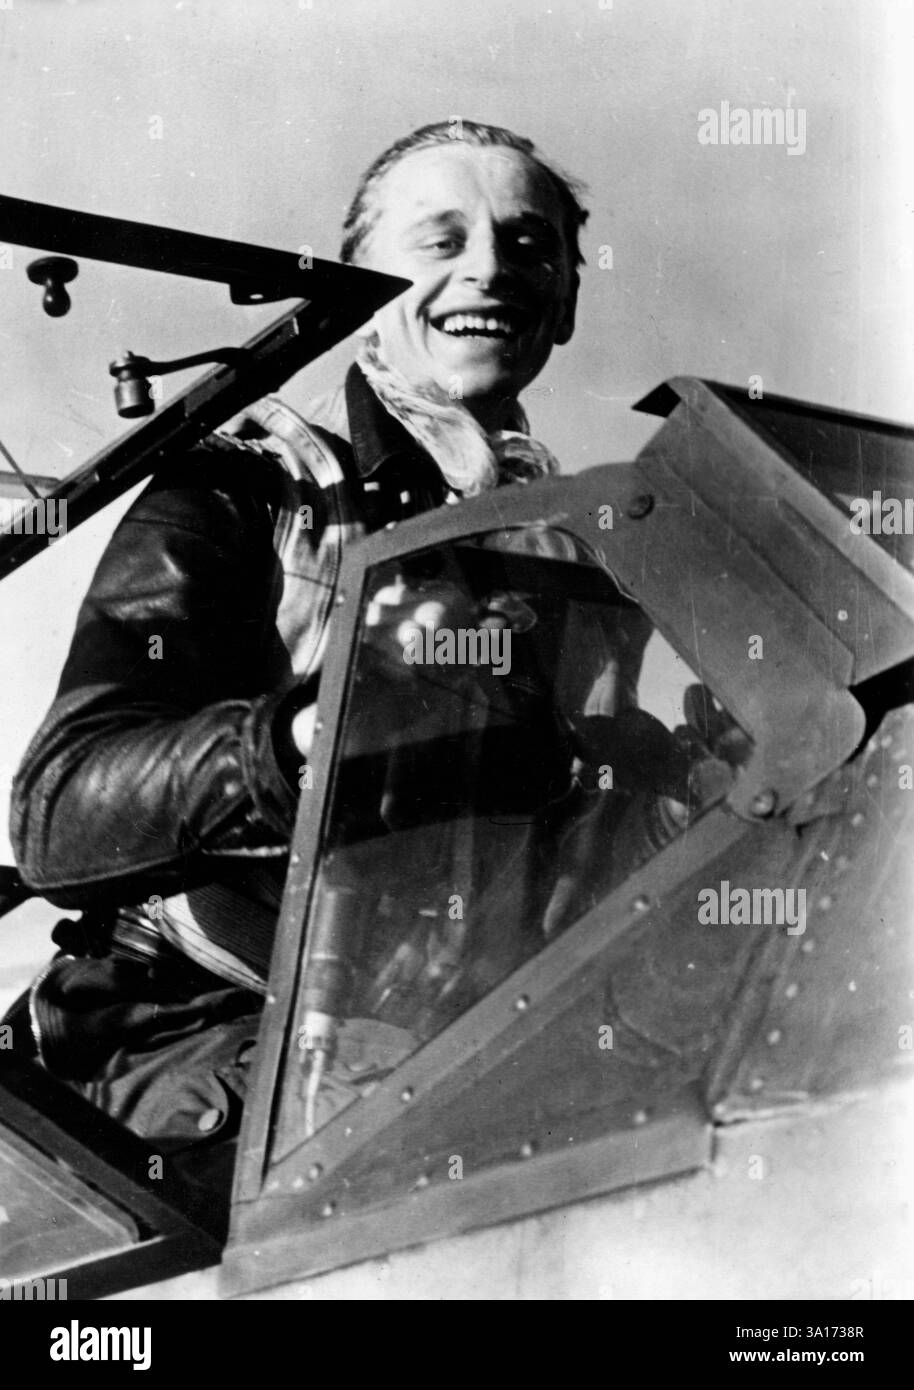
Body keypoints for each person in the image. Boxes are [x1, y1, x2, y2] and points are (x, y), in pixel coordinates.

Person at [4, 121, 591, 1188]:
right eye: (440, 240)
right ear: (364, 280)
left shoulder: (578, 556)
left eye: (526, 245)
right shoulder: (244, 489)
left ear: (567, 298)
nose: (489, 271)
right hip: (178, 1047)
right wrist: (298, 737)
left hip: (434, 1055)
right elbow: (57, 810)